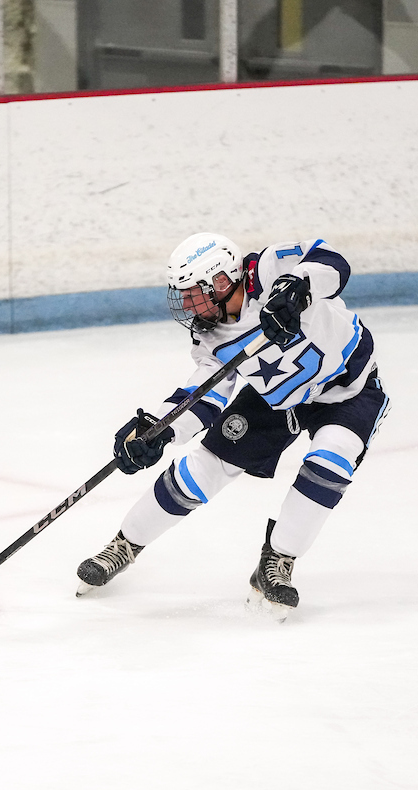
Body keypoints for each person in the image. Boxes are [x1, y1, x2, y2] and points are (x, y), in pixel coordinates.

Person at [76, 233, 390, 619]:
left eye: (193, 293)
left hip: (348, 393)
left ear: (221, 281)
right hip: (277, 399)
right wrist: (158, 429)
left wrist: (297, 287)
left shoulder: (271, 268)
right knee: (203, 468)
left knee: (331, 461)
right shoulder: (210, 335)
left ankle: (277, 561)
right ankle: (125, 544)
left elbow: (331, 259)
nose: (188, 304)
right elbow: (203, 394)